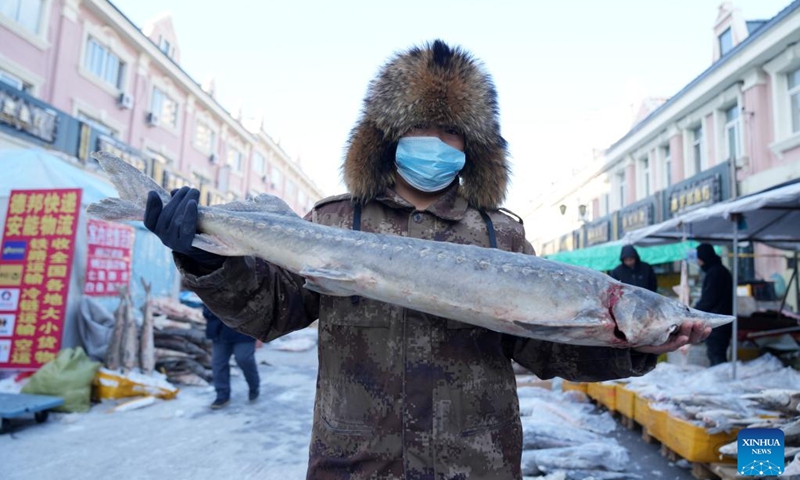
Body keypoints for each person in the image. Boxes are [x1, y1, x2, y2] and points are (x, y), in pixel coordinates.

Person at [143, 40, 710, 479]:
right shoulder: (338, 221)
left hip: (476, 464)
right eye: (418, 128)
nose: (433, 143)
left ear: (471, 148)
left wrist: (636, 347)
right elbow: (271, 312)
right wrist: (208, 260)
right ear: (388, 137)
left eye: (450, 132)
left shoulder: (501, 237)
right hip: (356, 463)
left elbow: (543, 346)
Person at [203, 303, 260, 409]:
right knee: (218, 363)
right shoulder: (211, 287)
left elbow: (258, 307)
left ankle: (254, 386)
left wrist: (260, 333)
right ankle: (222, 395)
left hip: (244, 331)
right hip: (219, 330)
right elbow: (206, 307)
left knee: (244, 359)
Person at [694, 243, 734, 366]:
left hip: (717, 321)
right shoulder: (720, 270)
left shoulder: (715, 273)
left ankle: (721, 381)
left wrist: (693, 312)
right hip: (721, 319)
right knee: (717, 353)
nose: (698, 262)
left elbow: (709, 299)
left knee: (717, 355)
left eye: (699, 258)